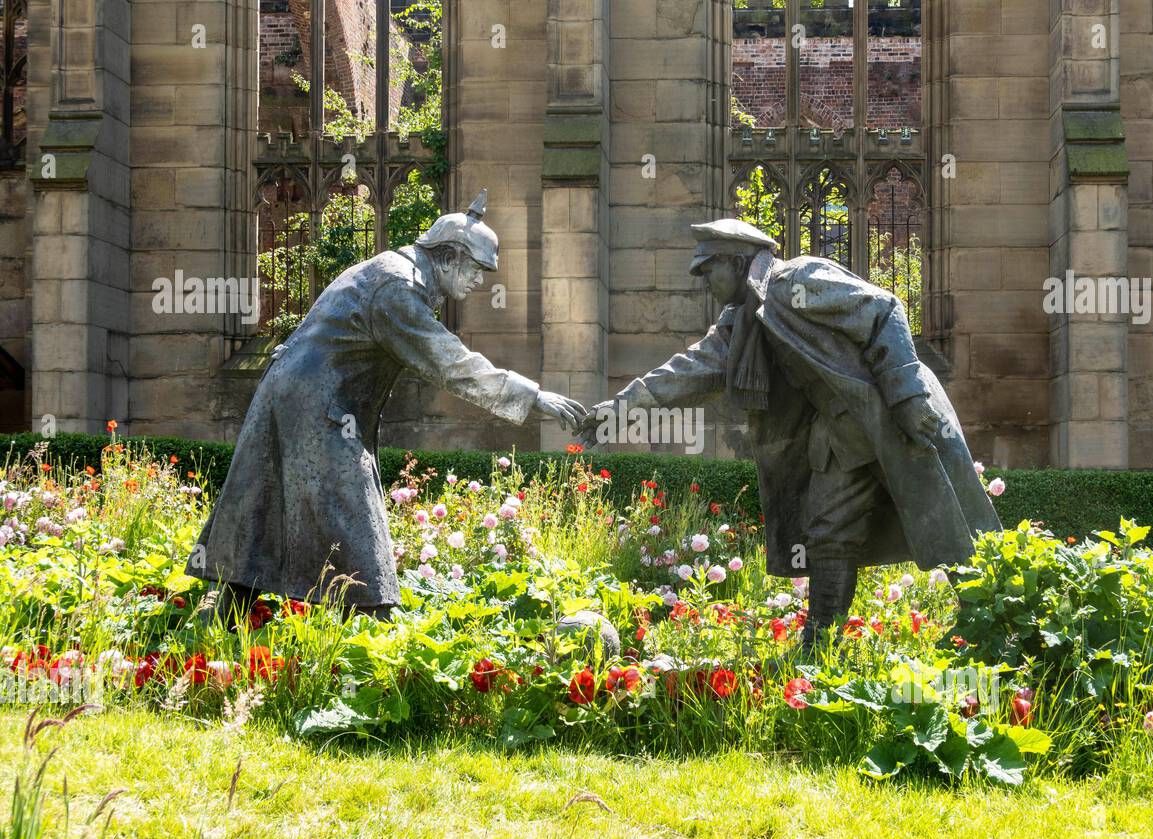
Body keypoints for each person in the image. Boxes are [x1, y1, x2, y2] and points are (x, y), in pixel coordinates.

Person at [576, 219, 1000, 653]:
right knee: (829, 532)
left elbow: (884, 308)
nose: (705, 281)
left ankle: (997, 627)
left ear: (737, 261)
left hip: (893, 415)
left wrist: (908, 395)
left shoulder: (797, 279)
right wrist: (620, 408)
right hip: (841, 434)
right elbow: (689, 370)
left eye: (709, 269)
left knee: (949, 527)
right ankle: (818, 648)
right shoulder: (740, 323)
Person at [188, 190, 585, 624]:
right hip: (318, 408)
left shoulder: (394, 271)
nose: (479, 282)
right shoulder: (398, 286)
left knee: (265, 513)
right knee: (353, 519)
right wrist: (534, 396)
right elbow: (448, 361)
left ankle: (219, 626)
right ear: (449, 256)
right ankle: (378, 634)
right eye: (476, 270)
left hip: (300, 400)